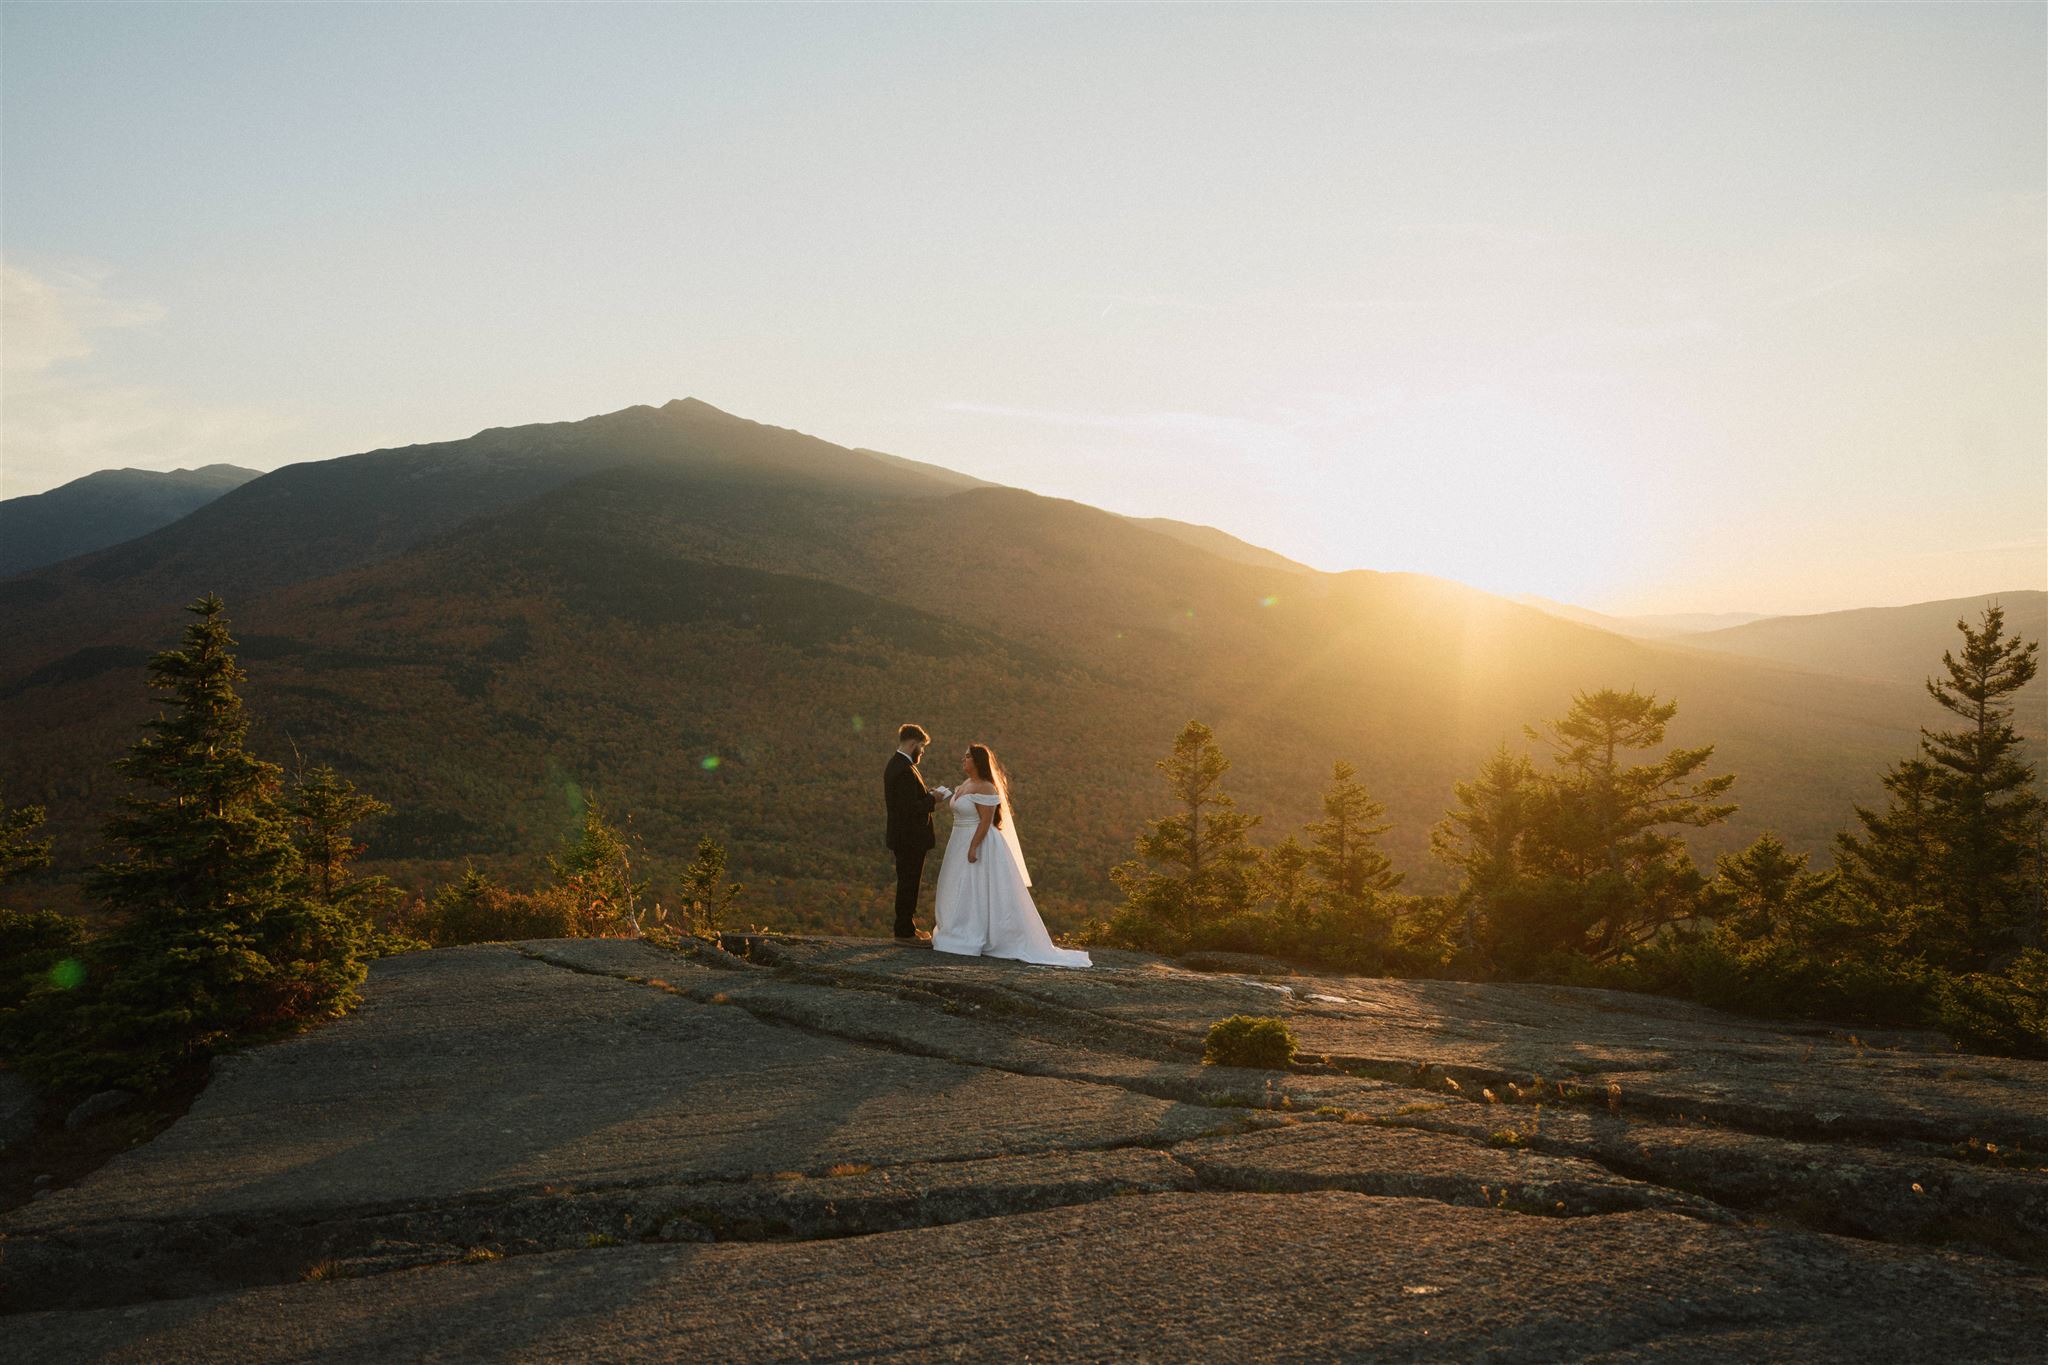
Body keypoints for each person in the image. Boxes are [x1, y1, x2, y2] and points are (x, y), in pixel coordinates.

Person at [931, 743, 1091, 968]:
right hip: (958, 839)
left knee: (976, 887)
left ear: (977, 761)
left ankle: (975, 933)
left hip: (978, 840)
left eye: (967, 757)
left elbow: (986, 821)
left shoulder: (986, 787)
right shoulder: (966, 784)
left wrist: (973, 846)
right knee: (956, 884)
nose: (963, 760)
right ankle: (956, 928)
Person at [882, 723, 942, 942]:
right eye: (922, 747)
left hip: (904, 837)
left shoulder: (897, 765)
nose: (922, 752)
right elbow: (911, 809)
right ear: (912, 744)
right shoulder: (904, 770)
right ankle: (904, 931)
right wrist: (933, 799)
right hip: (910, 838)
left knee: (908, 881)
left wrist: (927, 795)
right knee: (909, 882)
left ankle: (907, 925)